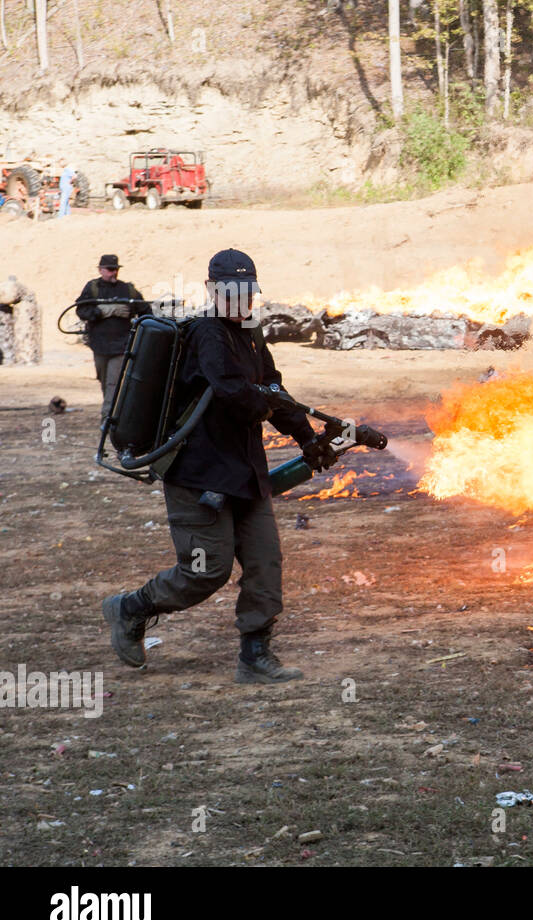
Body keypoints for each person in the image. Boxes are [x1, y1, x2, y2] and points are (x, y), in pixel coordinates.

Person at [101, 249, 338, 684]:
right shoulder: (207, 334)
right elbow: (237, 398)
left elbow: (273, 390)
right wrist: (265, 401)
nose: (240, 299)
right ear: (213, 290)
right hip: (199, 476)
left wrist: (308, 438)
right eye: (231, 290)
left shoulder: (251, 331)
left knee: (265, 564)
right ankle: (130, 608)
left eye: (247, 290)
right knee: (205, 571)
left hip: (245, 474)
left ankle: (255, 656)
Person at [75, 254, 150, 423]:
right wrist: (103, 311)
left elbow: (146, 311)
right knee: (104, 382)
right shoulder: (92, 288)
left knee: (113, 384)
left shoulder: (128, 290)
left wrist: (137, 324)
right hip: (99, 345)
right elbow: (81, 311)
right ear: (101, 270)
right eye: (110, 269)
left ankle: (108, 419)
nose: (113, 273)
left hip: (121, 345)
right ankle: (112, 411)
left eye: (115, 269)